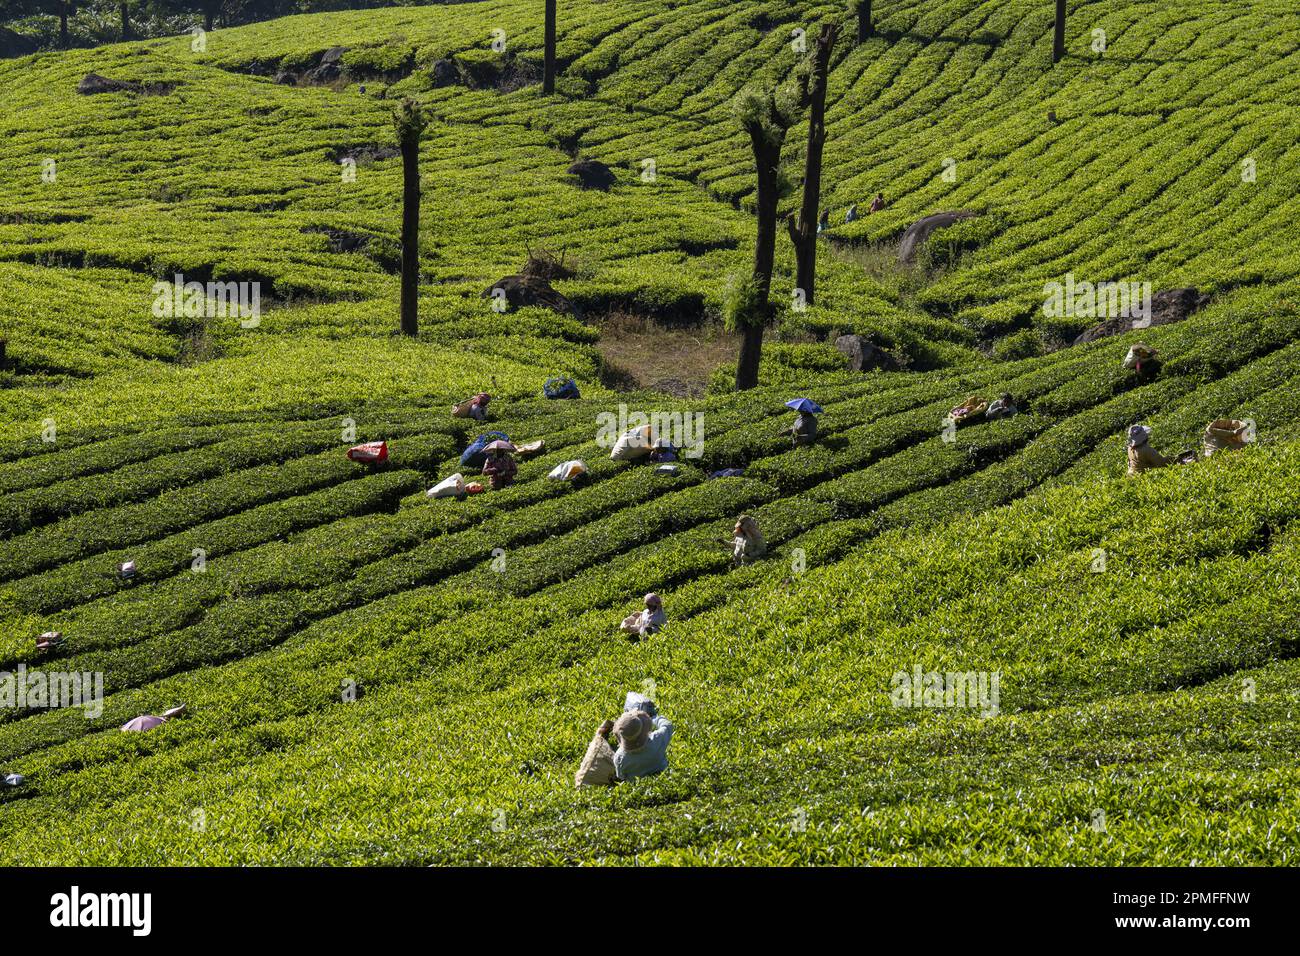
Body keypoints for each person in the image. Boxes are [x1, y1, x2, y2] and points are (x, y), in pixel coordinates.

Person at [596, 705, 674, 782]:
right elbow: (668, 725)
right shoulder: (656, 739)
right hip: (662, 772)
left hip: (636, 782)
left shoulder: (620, 757)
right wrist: (654, 717)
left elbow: (621, 776)